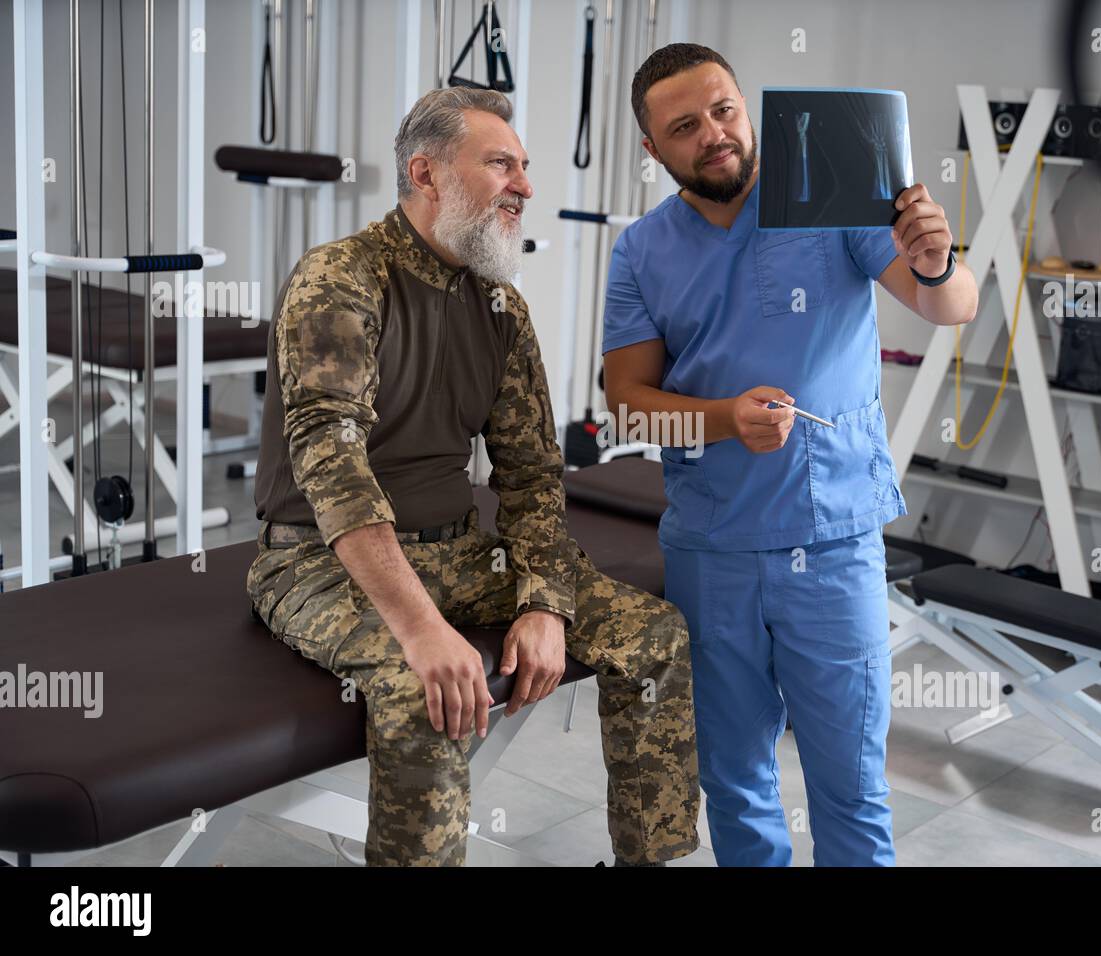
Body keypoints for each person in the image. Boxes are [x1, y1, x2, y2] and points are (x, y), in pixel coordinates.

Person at [247, 86, 700, 867]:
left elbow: (532, 477)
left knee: (653, 634)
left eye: (525, 166)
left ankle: (648, 860)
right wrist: (423, 631)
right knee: (423, 693)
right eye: (501, 164)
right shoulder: (340, 281)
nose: (525, 184)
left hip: (459, 552)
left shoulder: (501, 309)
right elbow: (333, 466)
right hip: (318, 563)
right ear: (426, 173)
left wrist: (543, 600)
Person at [602, 44, 978, 866]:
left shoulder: (829, 203)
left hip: (833, 539)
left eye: (725, 110)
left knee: (848, 782)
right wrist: (724, 421)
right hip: (714, 548)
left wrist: (936, 258)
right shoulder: (640, 253)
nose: (714, 134)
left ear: (747, 108)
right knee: (734, 781)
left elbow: (949, 304)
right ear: (653, 150)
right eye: (685, 126)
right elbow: (629, 402)